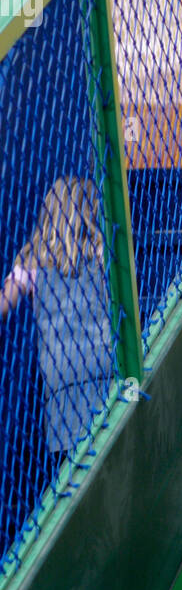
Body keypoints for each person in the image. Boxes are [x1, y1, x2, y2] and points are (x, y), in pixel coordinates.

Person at [0, 177, 115, 457]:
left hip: (61, 376)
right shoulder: (101, 254)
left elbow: (3, 305)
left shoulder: (32, 265)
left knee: (73, 460)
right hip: (105, 365)